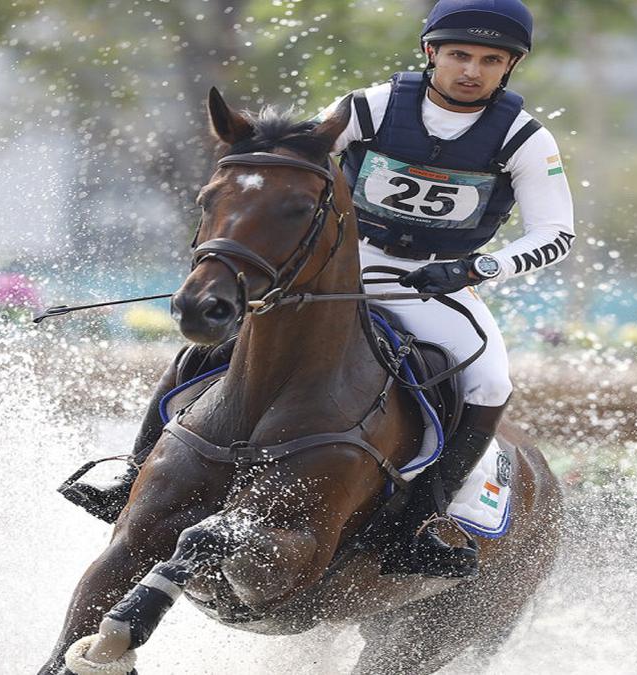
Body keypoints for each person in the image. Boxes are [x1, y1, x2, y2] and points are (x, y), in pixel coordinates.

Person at [61, 0, 575, 579]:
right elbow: (292, 160)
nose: (471, 71)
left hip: (436, 280)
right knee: (204, 350)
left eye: (490, 60)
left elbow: (557, 234)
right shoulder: (371, 107)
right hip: (340, 266)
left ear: (509, 67)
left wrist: (474, 270)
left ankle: (418, 525)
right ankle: (131, 477)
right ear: (431, 53)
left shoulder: (524, 137)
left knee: (489, 380)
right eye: (459, 54)